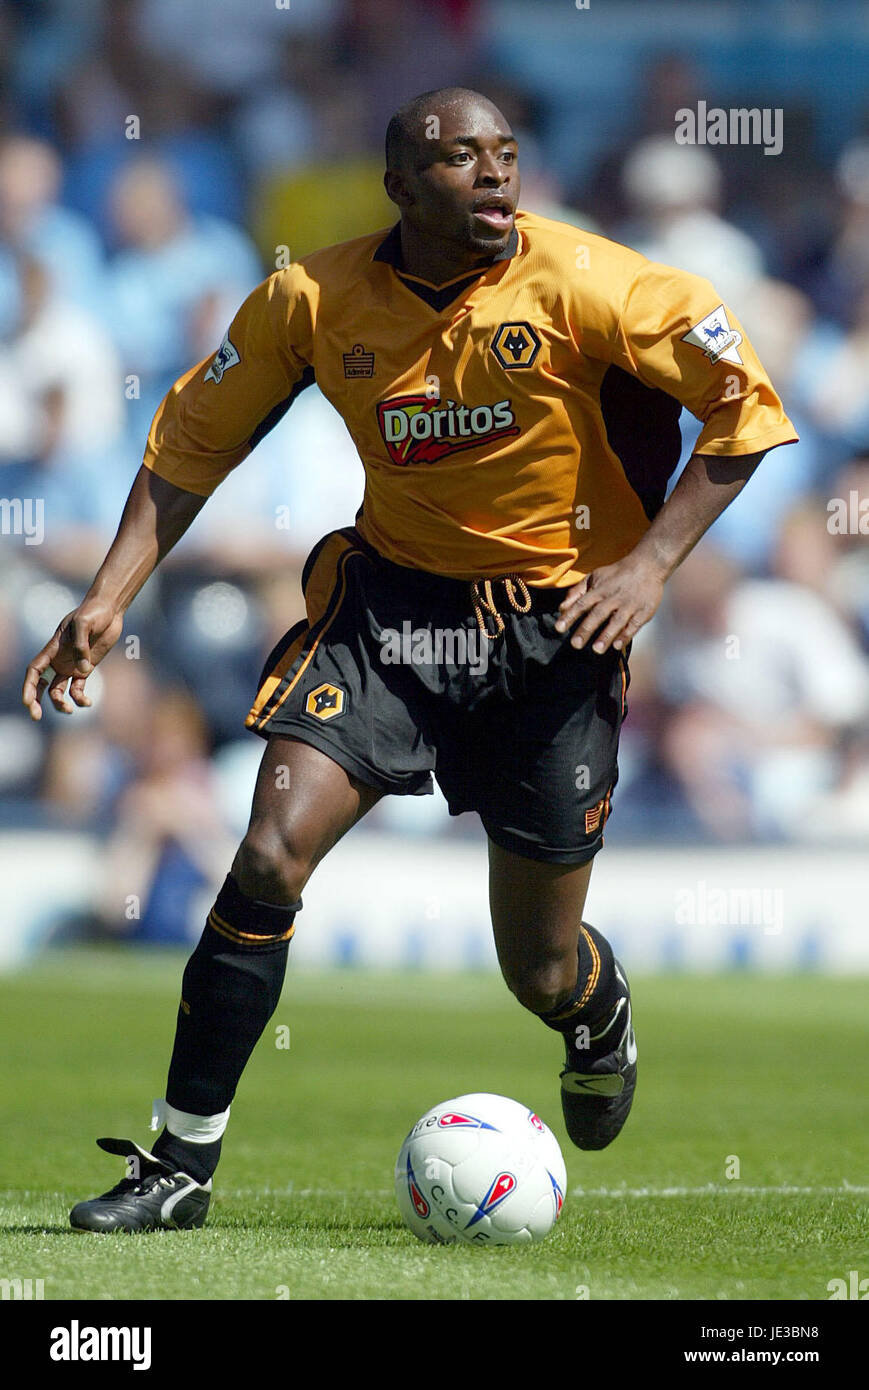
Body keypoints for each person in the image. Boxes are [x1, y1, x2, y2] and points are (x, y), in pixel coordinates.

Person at [22, 88, 798, 1233]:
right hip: (387, 617)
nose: (492, 174)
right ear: (398, 184)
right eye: (457, 157)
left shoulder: (592, 284)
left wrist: (647, 571)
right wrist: (105, 596)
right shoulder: (312, 297)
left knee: (534, 969)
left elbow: (744, 405)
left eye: (505, 153)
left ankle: (594, 1014)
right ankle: (177, 1168)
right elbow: (192, 438)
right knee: (270, 853)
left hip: (554, 635)